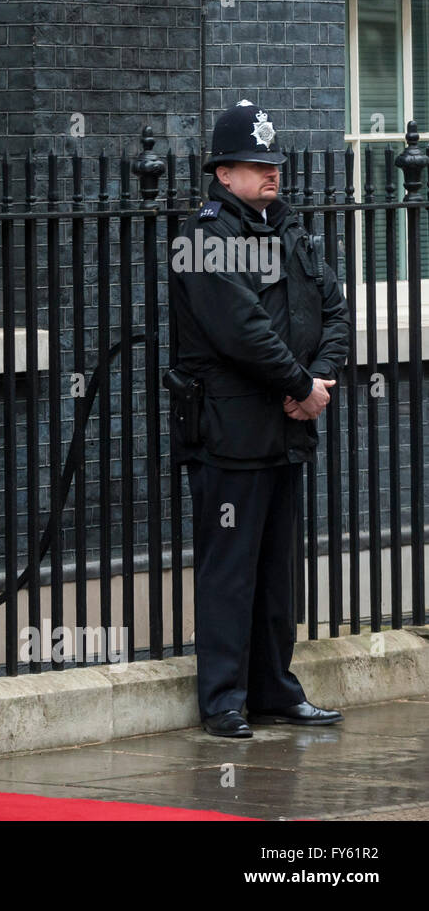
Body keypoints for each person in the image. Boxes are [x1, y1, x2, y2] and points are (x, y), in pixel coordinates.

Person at [168, 100, 350, 738]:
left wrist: (316, 384)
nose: (271, 173)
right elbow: (242, 331)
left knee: (278, 571)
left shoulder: (289, 230)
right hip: (230, 430)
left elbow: (334, 308)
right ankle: (223, 699)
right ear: (223, 173)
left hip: (287, 426)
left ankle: (275, 689)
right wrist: (301, 385)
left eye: (273, 163)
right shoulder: (203, 239)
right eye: (254, 164)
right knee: (230, 569)